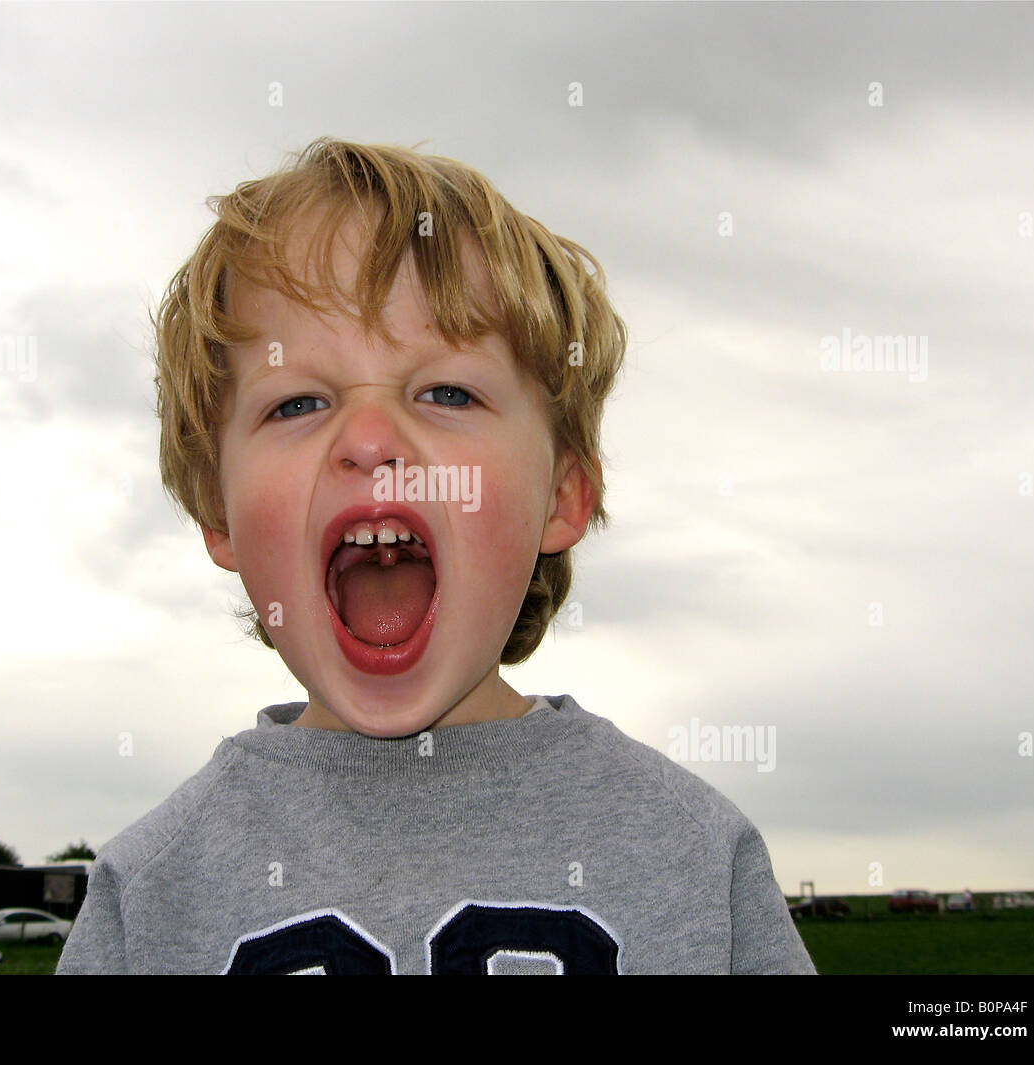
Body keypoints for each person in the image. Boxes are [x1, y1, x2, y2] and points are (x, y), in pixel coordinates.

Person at [56, 138, 815, 975]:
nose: (373, 440)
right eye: (298, 401)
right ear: (218, 512)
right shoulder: (154, 890)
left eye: (448, 392)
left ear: (563, 493)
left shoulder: (695, 854)